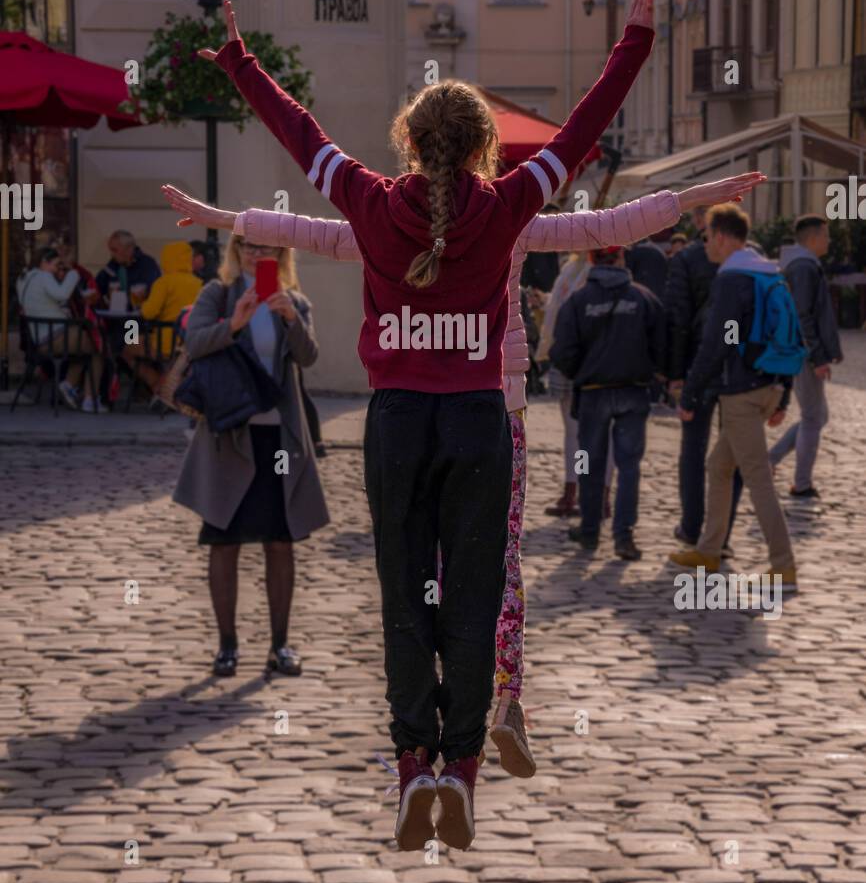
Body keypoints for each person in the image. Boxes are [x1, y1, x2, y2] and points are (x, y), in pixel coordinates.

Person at [184, 0, 763, 852]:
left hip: (398, 423)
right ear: (486, 148)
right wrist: (635, 41)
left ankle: (412, 761)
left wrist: (240, 62)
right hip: (477, 422)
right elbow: (582, 134)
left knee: (404, 593)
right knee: (474, 594)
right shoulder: (509, 207)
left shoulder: (372, 202)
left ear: (409, 142)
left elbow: (301, 136)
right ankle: (460, 770)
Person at [164, 172, 684, 780]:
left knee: (417, 573)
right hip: (494, 410)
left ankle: (420, 737)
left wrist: (225, 217)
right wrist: (688, 200)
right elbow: (602, 225)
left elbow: (313, 234)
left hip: (414, 411)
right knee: (496, 563)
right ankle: (502, 700)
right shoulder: (506, 221)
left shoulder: (392, 225)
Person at [173, 234, 329, 678]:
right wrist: (235, 323)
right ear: (236, 251)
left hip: (279, 438)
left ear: (282, 253)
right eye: (248, 247)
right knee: (225, 540)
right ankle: (227, 646)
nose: (257, 255)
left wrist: (290, 318)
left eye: (267, 248)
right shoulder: (218, 293)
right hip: (229, 434)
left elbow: (309, 356)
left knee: (280, 541)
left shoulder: (292, 299)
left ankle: (280, 645)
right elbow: (196, 342)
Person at [670, 204, 798, 590]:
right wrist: (784, 392)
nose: (705, 243)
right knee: (718, 465)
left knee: (757, 476)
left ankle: (783, 563)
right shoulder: (768, 271)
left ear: (722, 236)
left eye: (708, 236)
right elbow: (791, 332)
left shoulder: (730, 278)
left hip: (741, 392)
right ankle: (709, 549)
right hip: (766, 385)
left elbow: (717, 343)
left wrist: (689, 395)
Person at [549, 244, 666, 560]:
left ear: (590, 259)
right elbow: (663, 344)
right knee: (628, 467)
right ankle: (623, 535)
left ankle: (589, 531)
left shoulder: (578, 301)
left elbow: (562, 352)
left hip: (593, 393)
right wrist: (652, 373)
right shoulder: (642, 298)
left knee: (590, 463)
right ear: (621, 258)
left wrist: (581, 374)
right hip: (632, 391)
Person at [665, 204, 742, 549]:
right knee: (734, 452)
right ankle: (721, 532)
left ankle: (693, 526)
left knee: (694, 450)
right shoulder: (750, 259)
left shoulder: (687, 259)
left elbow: (678, 320)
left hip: (699, 363)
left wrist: (676, 375)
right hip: (741, 370)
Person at [769, 214, 843, 498]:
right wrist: (818, 357)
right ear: (813, 238)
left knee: (818, 415)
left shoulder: (802, 265)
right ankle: (801, 483)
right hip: (803, 353)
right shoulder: (803, 268)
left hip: (801, 351)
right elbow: (802, 316)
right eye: (826, 235)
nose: (829, 240)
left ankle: (771, 458)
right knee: (813, 417)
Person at [16, 247, 105, 411]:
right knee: (100, 346)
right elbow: (62, 294)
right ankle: (89, 399)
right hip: (54, 336)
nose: (58, 269)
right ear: (44, 262)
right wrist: (73, 273)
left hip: (39, 338)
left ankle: (69, 385)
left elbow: (44, 302)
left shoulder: (24, 278)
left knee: (87, 346)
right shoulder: (44, 276)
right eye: (56, 264)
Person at [123, 240, 203, 393]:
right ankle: (166, 384)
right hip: (188, 343)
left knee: (126, 346)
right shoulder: (199, 283)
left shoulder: (164, 282)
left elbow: (148, 313)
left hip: (162, 343)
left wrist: (142, 303)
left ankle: (156, 383)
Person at [95, 230, 160, 306]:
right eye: (111, 250)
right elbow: (97, 287)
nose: (112, 254)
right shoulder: (112, 265)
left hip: (140, 315)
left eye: (115, 250)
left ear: (129, 249)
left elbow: (155, 293)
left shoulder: (147, 265)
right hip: (114, 314)